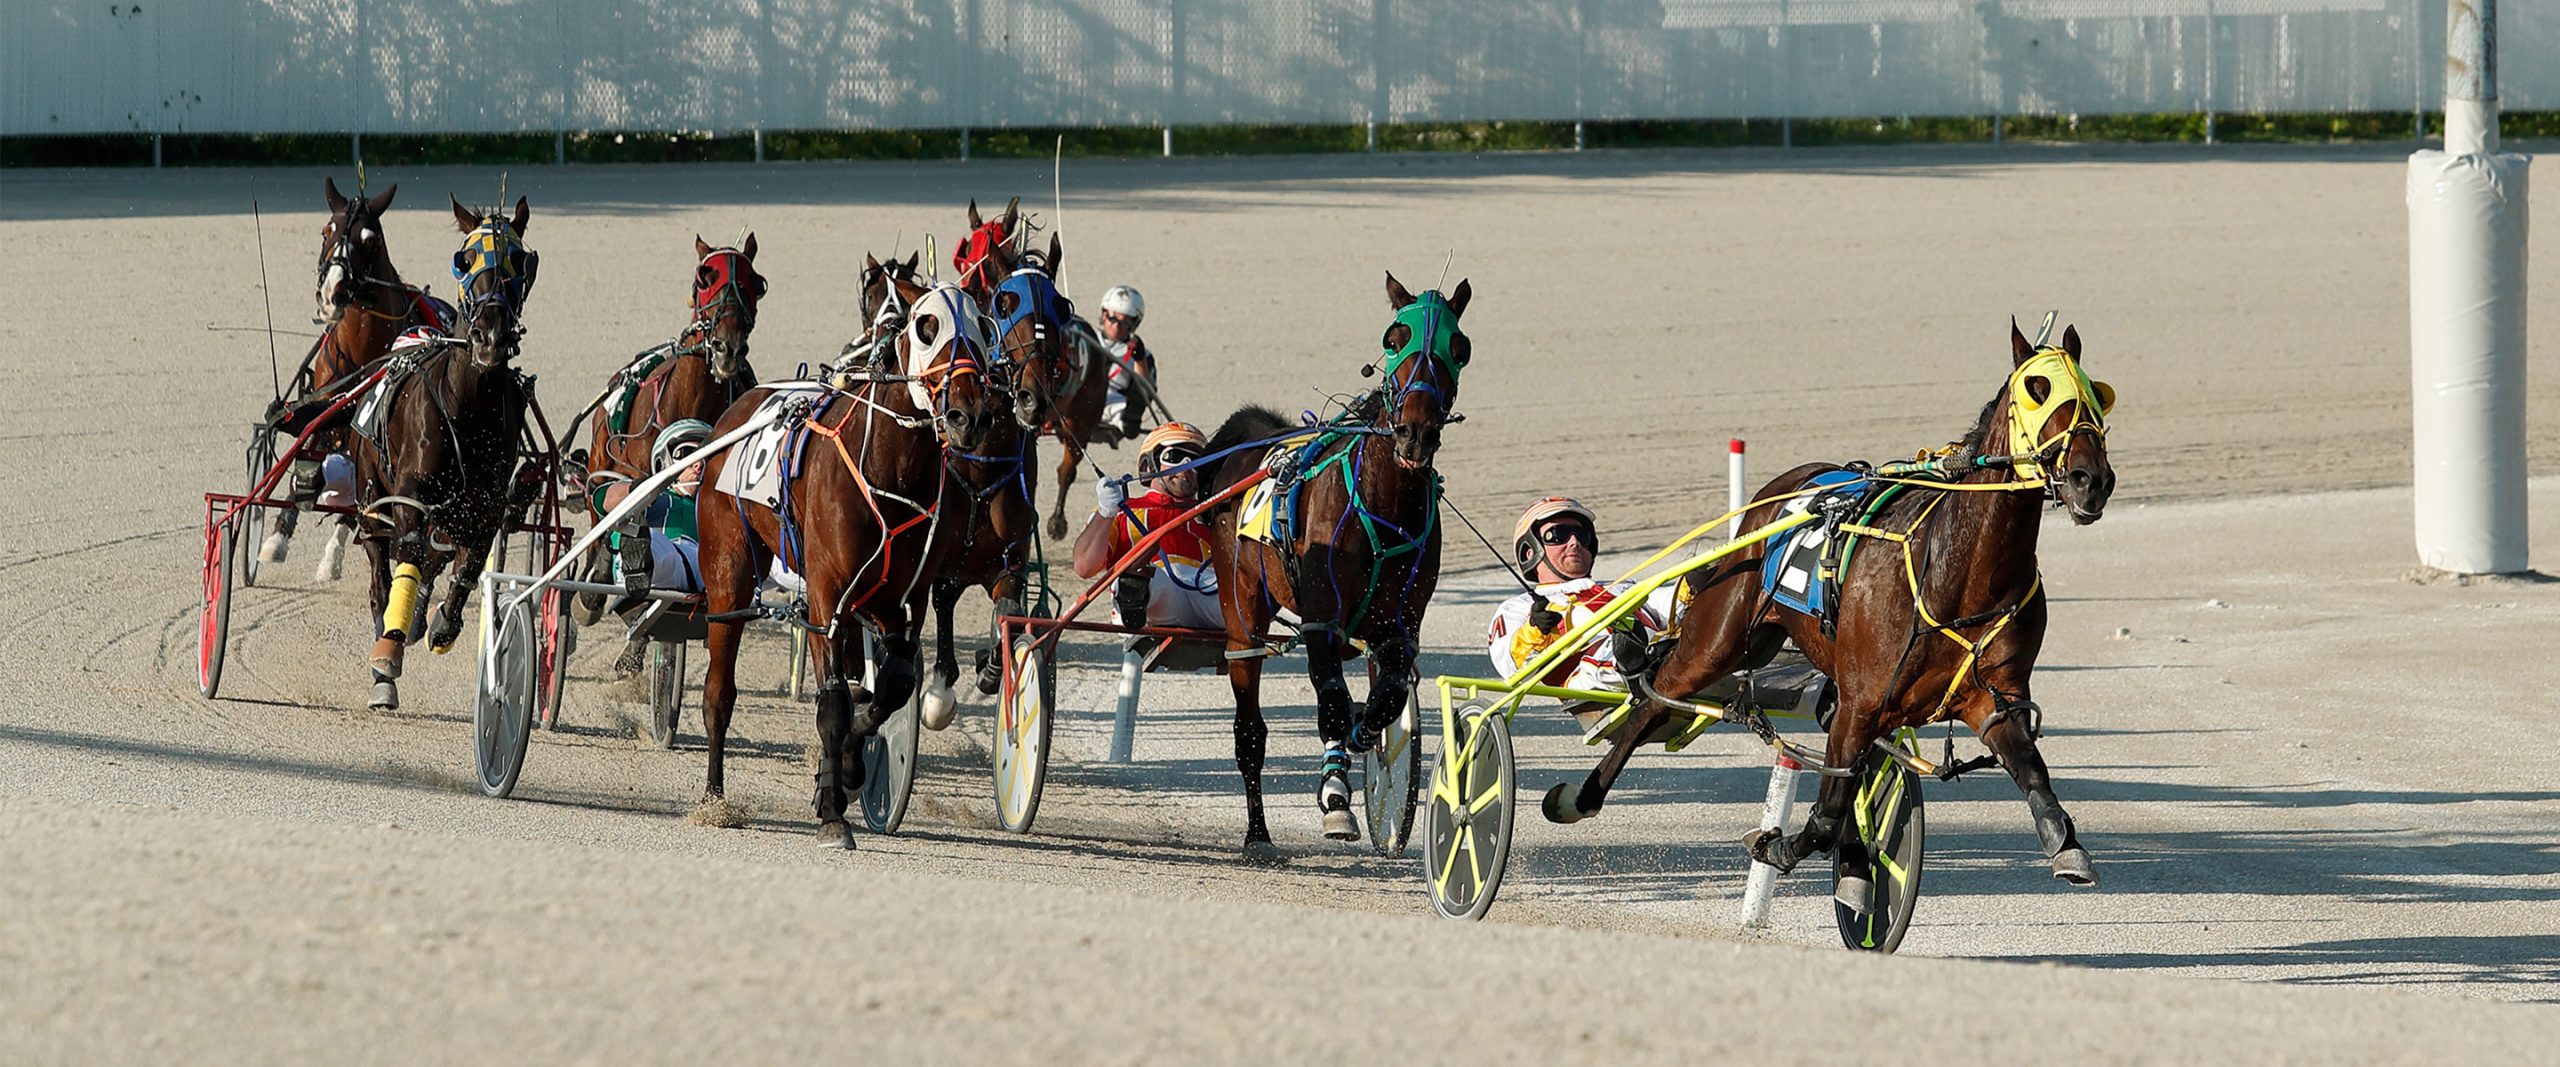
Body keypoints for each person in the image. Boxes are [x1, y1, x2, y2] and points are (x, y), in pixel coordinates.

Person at [1484, 497, 1676, 696]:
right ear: (1529, 551)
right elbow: (1509, 666)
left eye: (1582, 536)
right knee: (1616, 650)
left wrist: (1697, 583)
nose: (1575, 543)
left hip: (1658, 656)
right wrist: (1536, 630)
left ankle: (1659, 662)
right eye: (1558, 535)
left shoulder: (1622, 587)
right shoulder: (1518, 606)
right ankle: (1641, 664)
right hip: (1585, 679)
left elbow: (1669, 603)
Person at [1071, 421, 1220, 630]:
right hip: (1157, 596)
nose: (1187, 466)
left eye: (1197, 461)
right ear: (1149, 466)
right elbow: (1084, 567)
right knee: (1142, 576)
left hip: (1211, 593)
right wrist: (1105, 512)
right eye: (1175, 457)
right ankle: (1132, 598)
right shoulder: (1122, 511)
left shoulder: (1215, 515)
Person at [1095, 285, 1158, 440]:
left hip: (1112, 403)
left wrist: (1139, 359)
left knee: (1124, 418)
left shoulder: (1140, 353)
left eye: (1124, 323)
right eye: (1112, 319)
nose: (1116, 326)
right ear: (1104, 315)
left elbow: (1145, 390)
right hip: (1079, 395)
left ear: (1134, 324)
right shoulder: (1085, 339)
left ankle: (1127, 422)